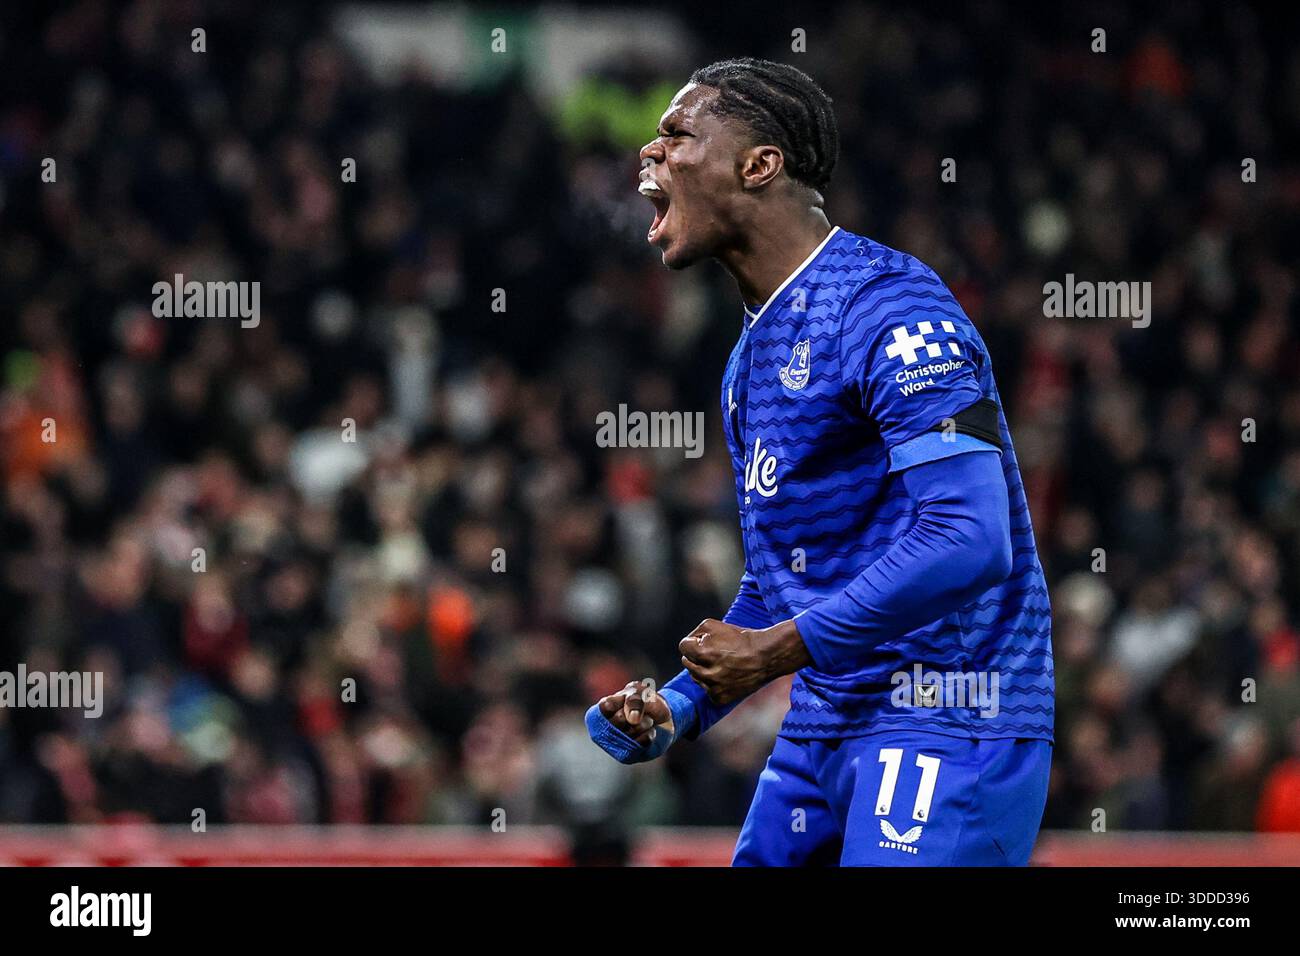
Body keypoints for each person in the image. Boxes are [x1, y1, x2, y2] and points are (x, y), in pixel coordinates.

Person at [586, 57, 1053, 866]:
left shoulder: (893, 309)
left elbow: (971, 538)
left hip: (948, 714)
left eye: (677, 133)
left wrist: (773, 653)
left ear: (758, 165)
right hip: (823, 727)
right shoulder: (748, 361)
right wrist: (681, 705)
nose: (649, 152)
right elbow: (782, 583)